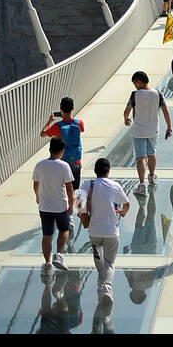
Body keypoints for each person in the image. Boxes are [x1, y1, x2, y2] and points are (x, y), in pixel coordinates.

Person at [77, 158, 130, 302]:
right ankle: (107, 286)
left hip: (94, 232)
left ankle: (101, 286)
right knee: (110, 263)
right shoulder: (115, 185)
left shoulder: (88, 184)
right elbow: (126, 203)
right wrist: (123, 213)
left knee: (99, 261)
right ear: (108, 171)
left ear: (95, 171)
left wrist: (83, 213)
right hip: (112, 232)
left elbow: (79, 202)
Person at [123, 71, 172, 193]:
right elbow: (165, 110)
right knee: (152, 154)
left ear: (139, 81)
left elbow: (126, 111)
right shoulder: (157, 93)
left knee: (140, 157)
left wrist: (126, 119)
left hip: (138, 131)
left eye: (135, 83)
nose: (135, 85)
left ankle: (141, 184)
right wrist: (169, 126)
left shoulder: (135, 95)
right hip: (153, 130)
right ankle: (152, 176)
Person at [33, 137, 75, 274]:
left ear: (50, 149)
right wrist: (71, 203)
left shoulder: (40, 165)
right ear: (62, 151)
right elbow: (69, 187)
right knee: (64, 229)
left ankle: (47, 263)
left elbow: (36, 184)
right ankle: (59, 255)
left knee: (47, 235)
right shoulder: (64, 166)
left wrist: (38, 196)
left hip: (45, 206)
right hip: (60, 205)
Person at [39, 97, 85, 194]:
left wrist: (50, 121)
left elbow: (42, 134)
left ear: (60, 109)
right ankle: (73, 208)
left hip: (63, 162)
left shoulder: (57, 126)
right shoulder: (79, 123)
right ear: (73, 108)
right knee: (74, 191)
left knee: (63, 190)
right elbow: (81, 130)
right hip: (76, 161)